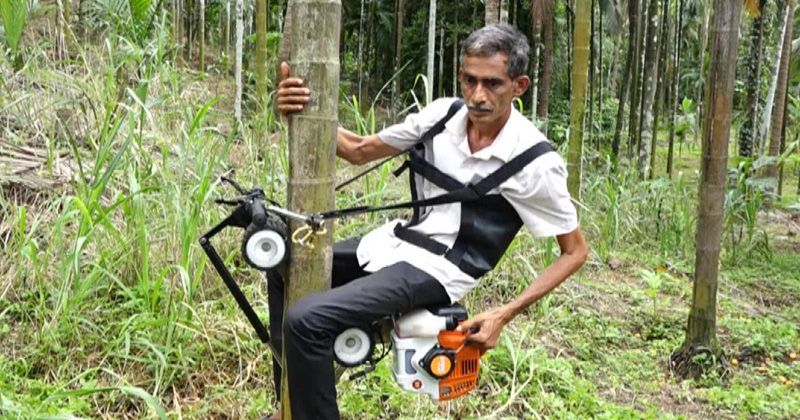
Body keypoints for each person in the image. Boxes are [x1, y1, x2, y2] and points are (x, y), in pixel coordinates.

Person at [269, 24, 588, 420]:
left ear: (518, 85)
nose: (478, 96)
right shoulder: (443, 116)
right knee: (285, 267)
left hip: (441, 271)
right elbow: (357, 149)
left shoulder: (535, 162)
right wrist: (300, 107)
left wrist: (503, 314)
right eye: (470, 80)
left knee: (307, 320)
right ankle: (289, 406)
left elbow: (575, 252)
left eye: (492, 84)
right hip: (397, 243)